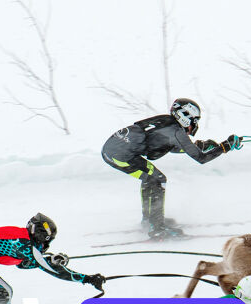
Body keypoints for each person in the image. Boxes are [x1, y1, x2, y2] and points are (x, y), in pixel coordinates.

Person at [101, 98, 242, 238]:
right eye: (195, 120)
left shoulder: (166, 121)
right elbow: (201, 158)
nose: (195, 125)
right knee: (157, 179)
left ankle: (150, 220)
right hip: (120, 155)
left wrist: (200, 146)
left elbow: (167, 145)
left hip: (114, 149)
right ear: (185, 117)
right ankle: (157, 229)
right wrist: (225, 146)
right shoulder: (176, 131)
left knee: (151, 178)